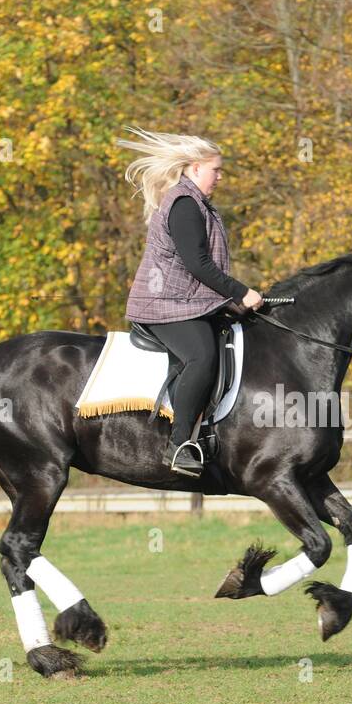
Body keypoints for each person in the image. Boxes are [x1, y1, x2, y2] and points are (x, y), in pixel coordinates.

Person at [117, 127, 264, 477]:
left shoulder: (197, 203)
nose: (220, 176)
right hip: (162, 304)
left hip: (184, 300)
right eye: (216, 169)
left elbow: (195, 270)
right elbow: (198, 264)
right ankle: (179, 444)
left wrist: (227, 301)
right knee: (201, 355)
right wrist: (240, 291)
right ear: (196, 168)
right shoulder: (184, 204)